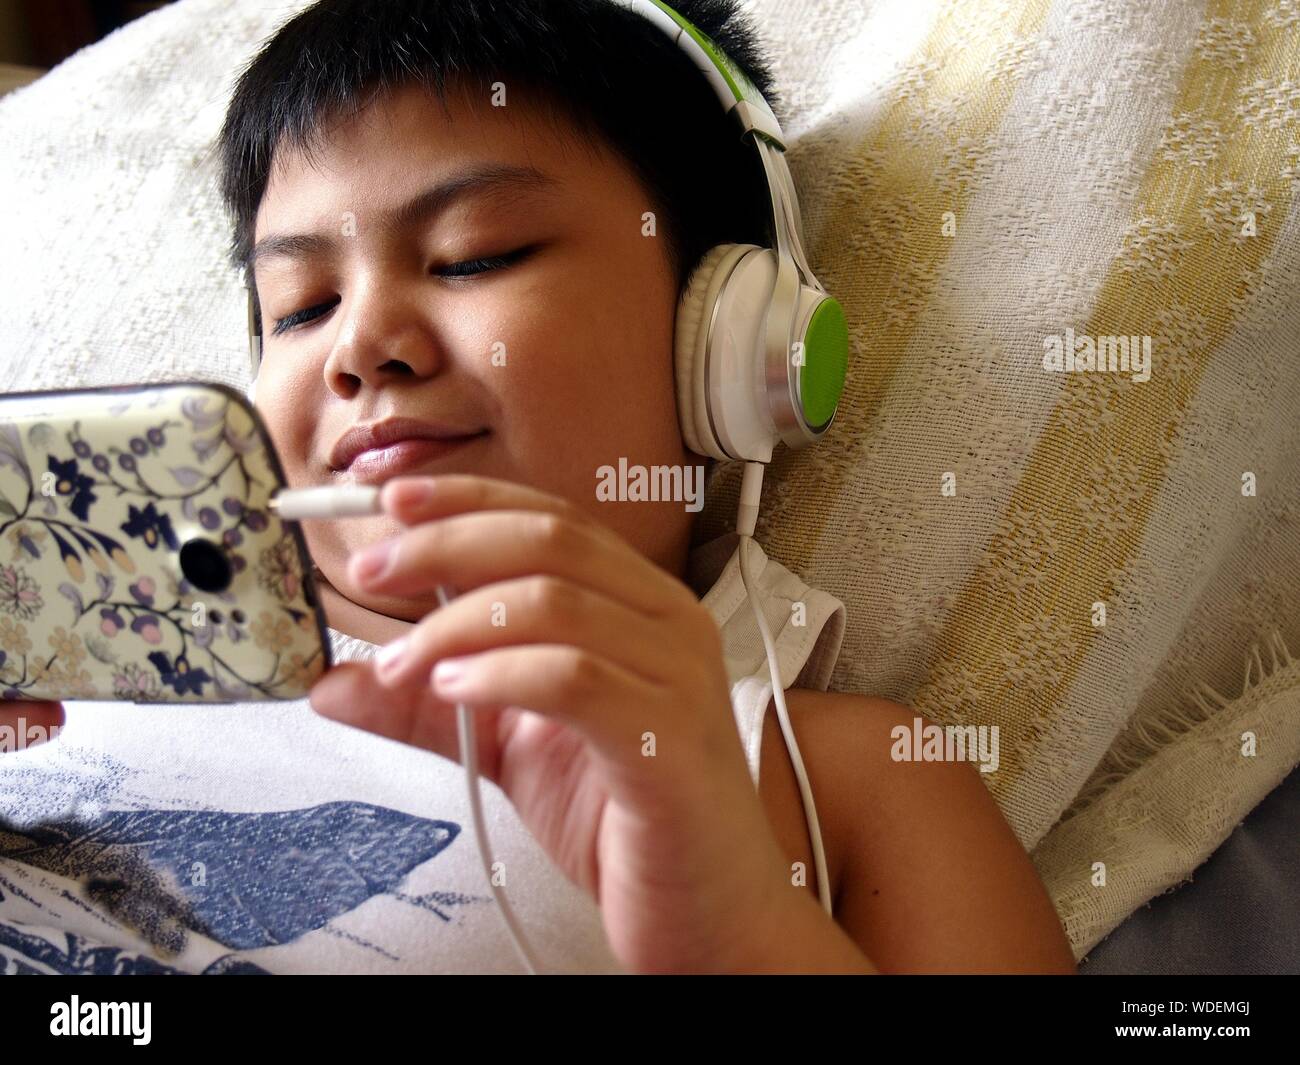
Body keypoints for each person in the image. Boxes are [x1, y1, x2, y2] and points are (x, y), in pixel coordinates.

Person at [5, 0, 1076, 973]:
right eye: (301, 306)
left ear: (729, 342)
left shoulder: (843, 778)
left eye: (474, 255)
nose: (360, 345)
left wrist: (739, 928)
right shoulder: (81, 651)